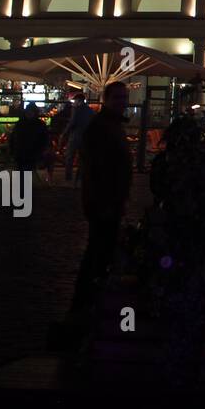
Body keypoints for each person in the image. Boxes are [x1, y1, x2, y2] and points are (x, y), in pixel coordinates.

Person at [71, 82, 132, 311]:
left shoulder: (112, 125)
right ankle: (85, 303)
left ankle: (88, 302)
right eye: (117, 97)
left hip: (110, 200)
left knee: (99, 251)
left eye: (124, 97)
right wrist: (106, 201)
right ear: (105, 99)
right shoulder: (101, 127)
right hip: (103, 202)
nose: (122, 102)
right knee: (98, 252)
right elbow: (97, 170)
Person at [61, 91, 94, 182]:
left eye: (75, 101)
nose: (74, 103)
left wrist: (64, 133)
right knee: (82, 158)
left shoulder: (76, 109)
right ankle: (80, 178)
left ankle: (68, 177)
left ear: (78, 100)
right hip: (86, 137)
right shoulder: (90, 111)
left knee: (70, 157)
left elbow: (72, 122)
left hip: (75, 136)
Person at [9, 102, 49, 176]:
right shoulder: (40, 124)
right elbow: (45, 139)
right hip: (27, 153)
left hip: (26, 153)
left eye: (30, 112)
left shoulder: (20, 123)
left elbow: (13, 137)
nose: (29, 114)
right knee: (25, 173)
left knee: (22, 173)